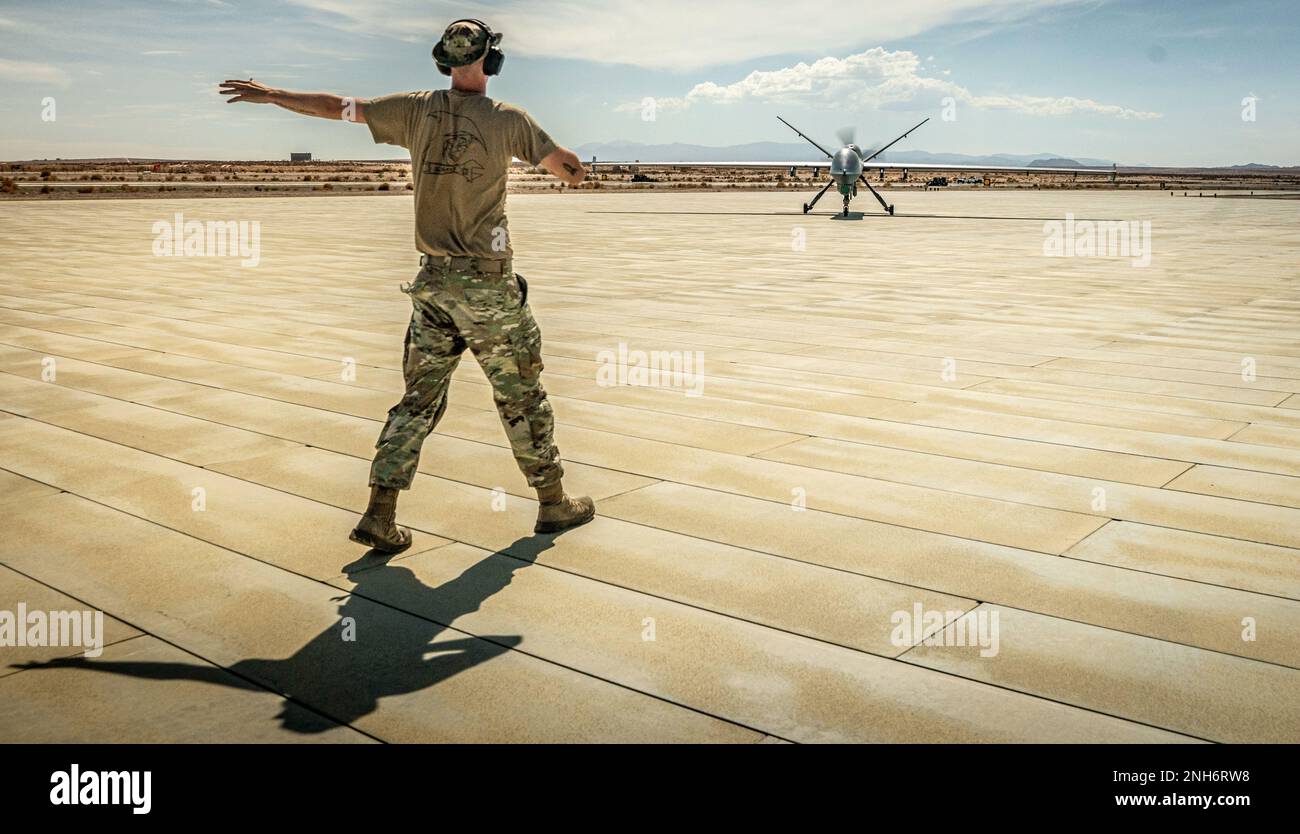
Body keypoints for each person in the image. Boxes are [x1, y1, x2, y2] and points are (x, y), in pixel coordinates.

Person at [220, 18, 595, 552]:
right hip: (487, 288)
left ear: (443, 59)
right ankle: (554, 503)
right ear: (492, 62)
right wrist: (577, 167)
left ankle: (380, 512)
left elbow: (337, 107)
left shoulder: (414, 109)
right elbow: (567, 171)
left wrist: (272, 95)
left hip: (433, 285)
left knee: (417, 401)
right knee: (522, 395)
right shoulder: (511, 120)